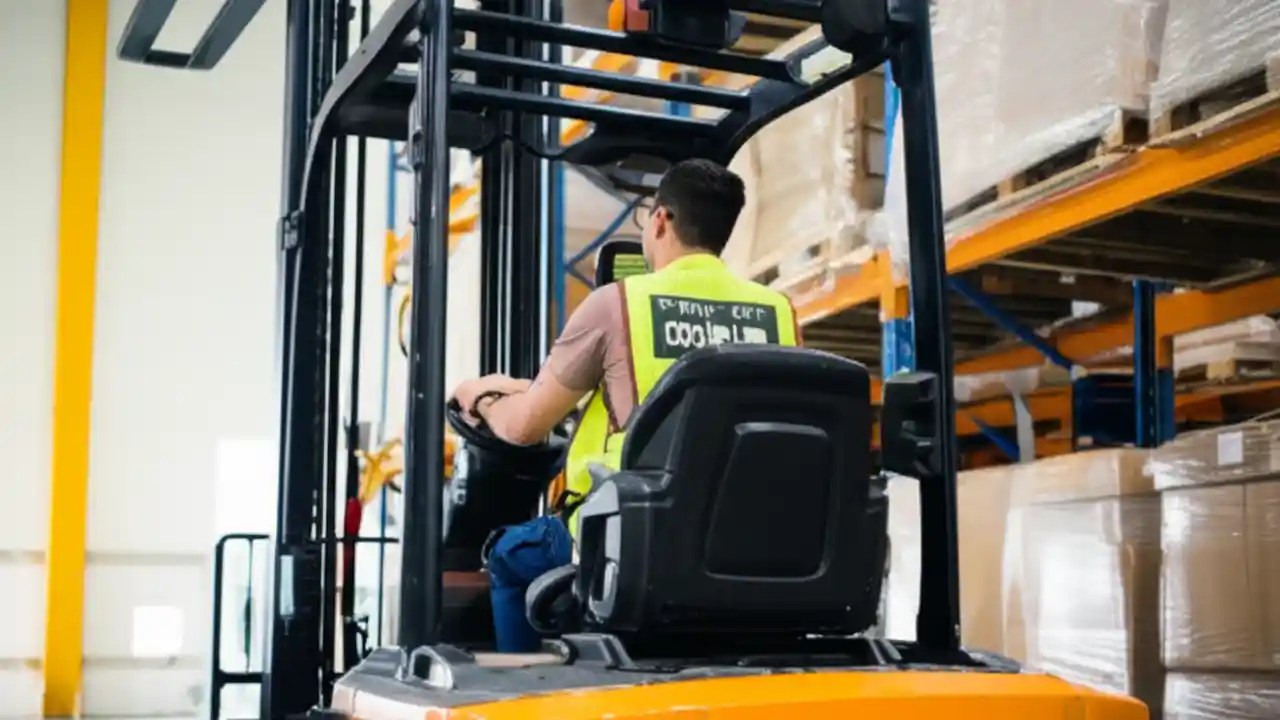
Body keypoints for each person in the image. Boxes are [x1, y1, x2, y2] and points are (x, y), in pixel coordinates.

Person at [452, 158, 802, 530]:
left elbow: (524, 428)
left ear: (661, 220)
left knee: (508, 555)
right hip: (744, 529)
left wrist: (481, 399)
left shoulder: (616, 303)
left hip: (632, 532)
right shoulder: (778, 310)